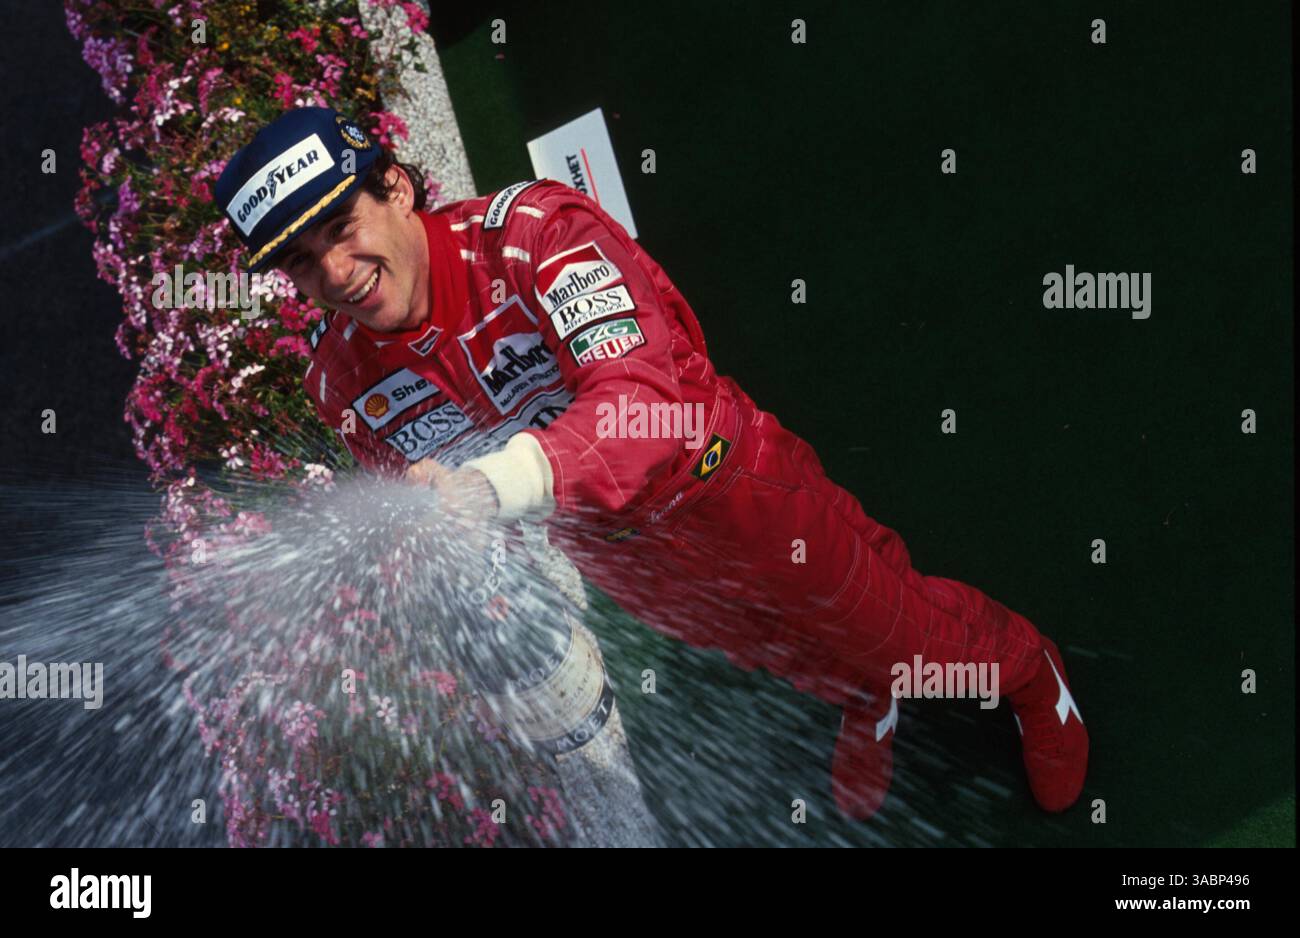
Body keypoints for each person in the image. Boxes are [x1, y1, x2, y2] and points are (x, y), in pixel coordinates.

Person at [215, 107, 1088, 820]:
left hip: (727, 487)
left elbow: (639, 406)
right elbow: (438, 500)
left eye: (342, 225)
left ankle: (1026, 674)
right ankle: (863, 695)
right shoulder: (339, 383)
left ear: (396, 187)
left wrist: (488, 488)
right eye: (300, 260)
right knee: (766, 649)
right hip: (617, 556)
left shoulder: (533, 233)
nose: (334, 271)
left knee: (901, 633)